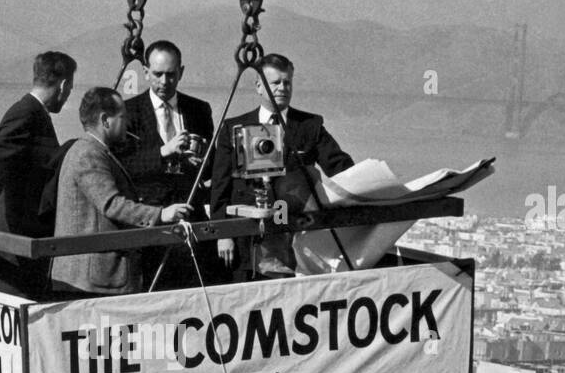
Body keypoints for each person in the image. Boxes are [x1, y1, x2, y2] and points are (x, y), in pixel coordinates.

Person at [208, 53, 354, 277]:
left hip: (294, 239)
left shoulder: (309, 126)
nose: (283, 88)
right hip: (247, 240)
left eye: (287, 82)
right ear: (259, 86)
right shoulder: (233, 128)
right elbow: (220, 186)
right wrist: (222, 233)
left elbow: (339, 166)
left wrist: (367, 185)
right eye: (275, 82)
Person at [49, 87, 191, 298]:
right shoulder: (88, 154)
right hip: (93, 282)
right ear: (105, 120)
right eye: (122, 117)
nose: (127, 123)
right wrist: (161, 214)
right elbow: (111, 204)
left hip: (92, 279)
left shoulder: (94, 151)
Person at [0, 50, 76, 298]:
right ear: (63, 85)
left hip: (25, 244)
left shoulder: (32, 112)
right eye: (69, 90)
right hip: (16, 246)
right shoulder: (26, 113)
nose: (67, 96)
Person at [122, 40, 216, 290]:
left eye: (171, 75)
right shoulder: (128, 112)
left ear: (181, 73)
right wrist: (164, 152)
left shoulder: (199, 110)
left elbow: (212, 164)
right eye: (158, 74)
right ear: (145, 72)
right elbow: (124, 167)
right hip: (150, 221)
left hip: (190, 216)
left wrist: (197, 161)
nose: (164, 82)